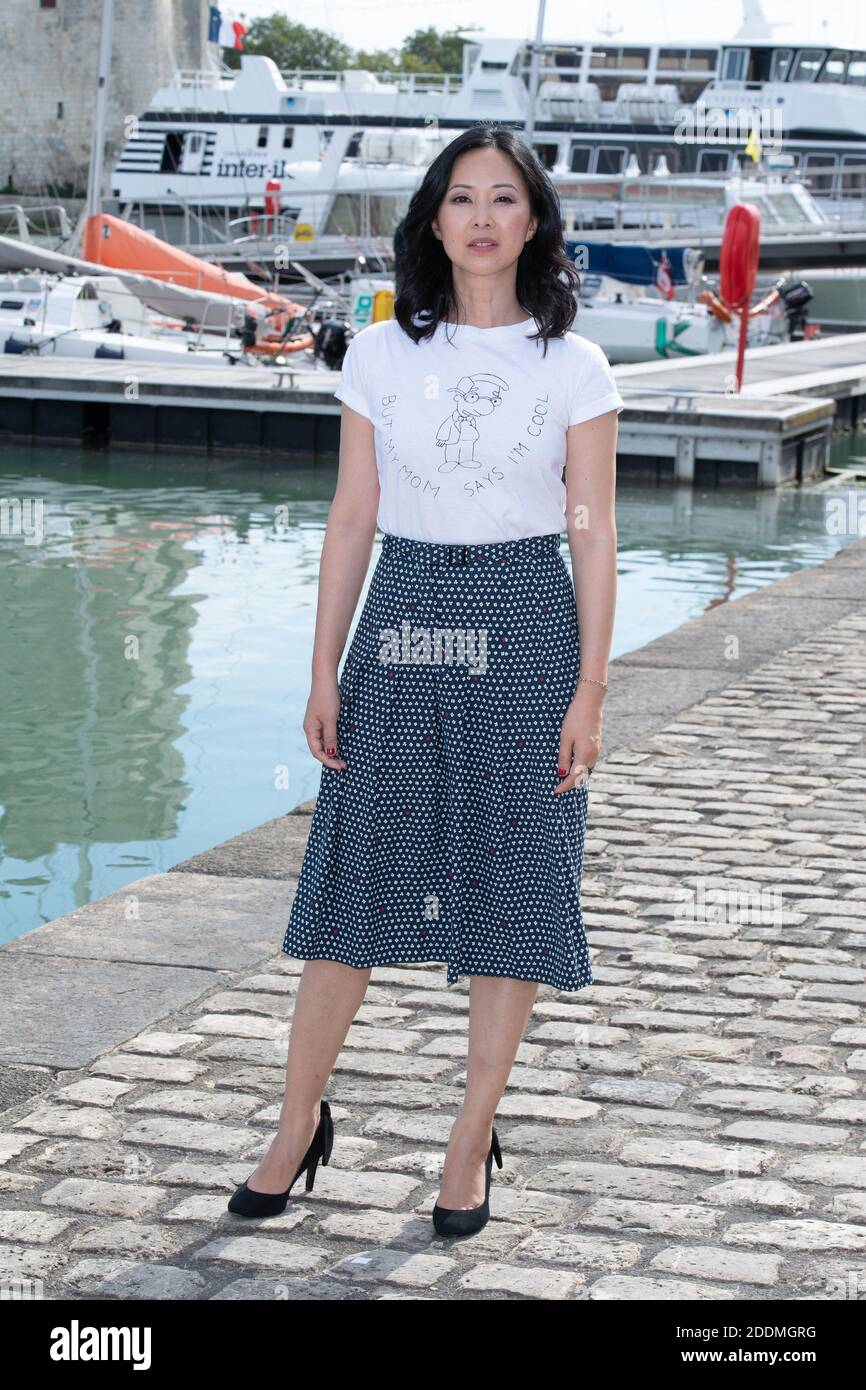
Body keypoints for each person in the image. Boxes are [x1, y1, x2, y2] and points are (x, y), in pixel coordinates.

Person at [228, 122, 623, 1237]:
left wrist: (588, 686)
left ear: (533, 219)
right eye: (461, 199)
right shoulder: (382, 352)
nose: (483, 218)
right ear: (433, 220)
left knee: (514, 887)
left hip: (524, 615)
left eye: (504, 198)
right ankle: (297, 1121)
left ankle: (467, 1139)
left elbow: (589, 531)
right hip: (401, 613)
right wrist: (321, 667)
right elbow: (350, 515)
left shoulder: (573, 363)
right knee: (353, 882)